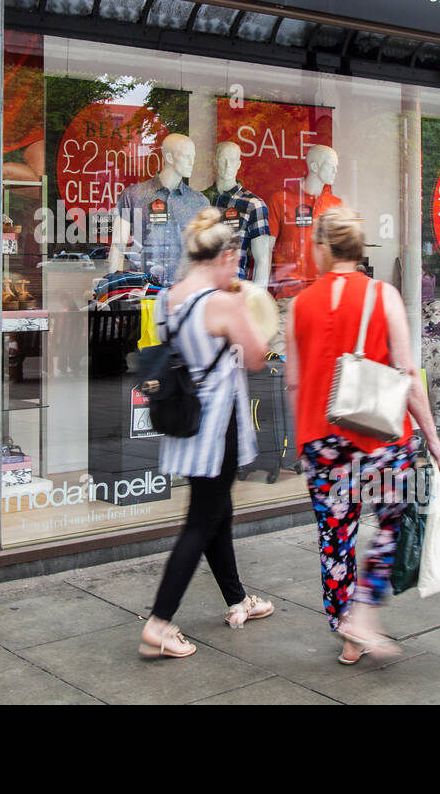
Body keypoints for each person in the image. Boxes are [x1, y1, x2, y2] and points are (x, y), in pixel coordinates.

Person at [286, 206, 440, 664]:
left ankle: (347, 628)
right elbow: (407, 374)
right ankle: (365, 612)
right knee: (394, 519)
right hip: (378, 438)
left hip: (321, 440)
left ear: (322, 247)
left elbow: (294, 383)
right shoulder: (384, 296)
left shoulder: (299, 304)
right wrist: (432, 436)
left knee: (335, 536)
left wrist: (305, 445)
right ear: (357, 249)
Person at [139, 208, 275, 659]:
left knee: (216, 511)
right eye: (235, 260)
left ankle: (238, 599)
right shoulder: (223, 302)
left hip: (184, 421)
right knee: (201, 521)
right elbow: (257, 357)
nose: (237, 269)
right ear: (225, 256)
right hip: (219, 427)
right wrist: (253, 317)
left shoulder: (167, 299)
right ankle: (159, 623)